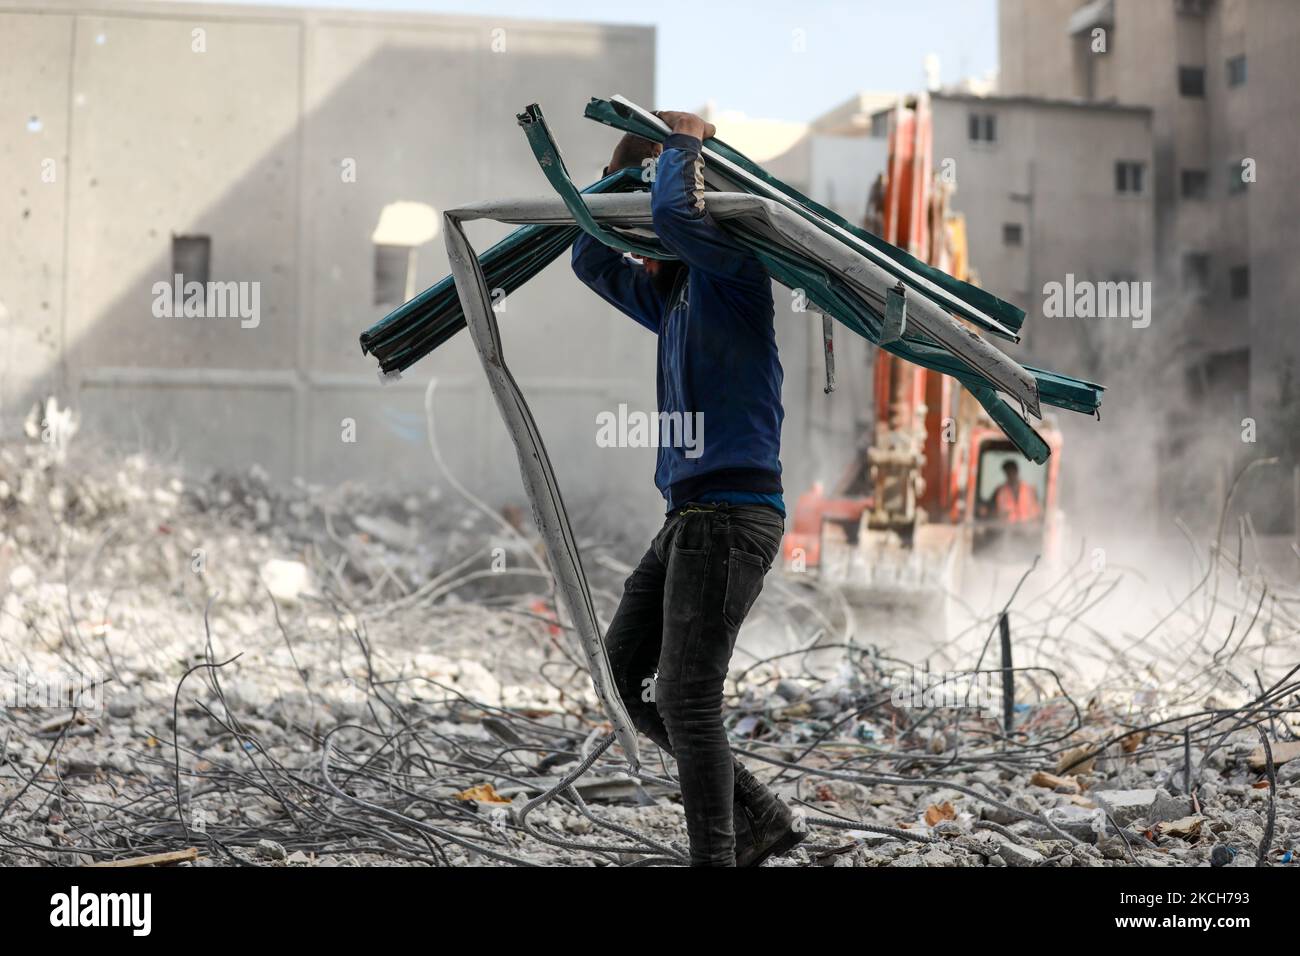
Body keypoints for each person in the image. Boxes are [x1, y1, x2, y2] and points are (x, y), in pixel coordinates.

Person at [570, 110, 802, 866]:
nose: (644, 248)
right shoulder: (670, 303)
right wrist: (613, 183)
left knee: (686, 698)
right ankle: (759, 818)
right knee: (626, 672)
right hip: (691, 518)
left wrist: (683, 144)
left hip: (732, 516)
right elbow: (589, 258)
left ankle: (719, 855)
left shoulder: (732, 276)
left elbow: (674, 211)